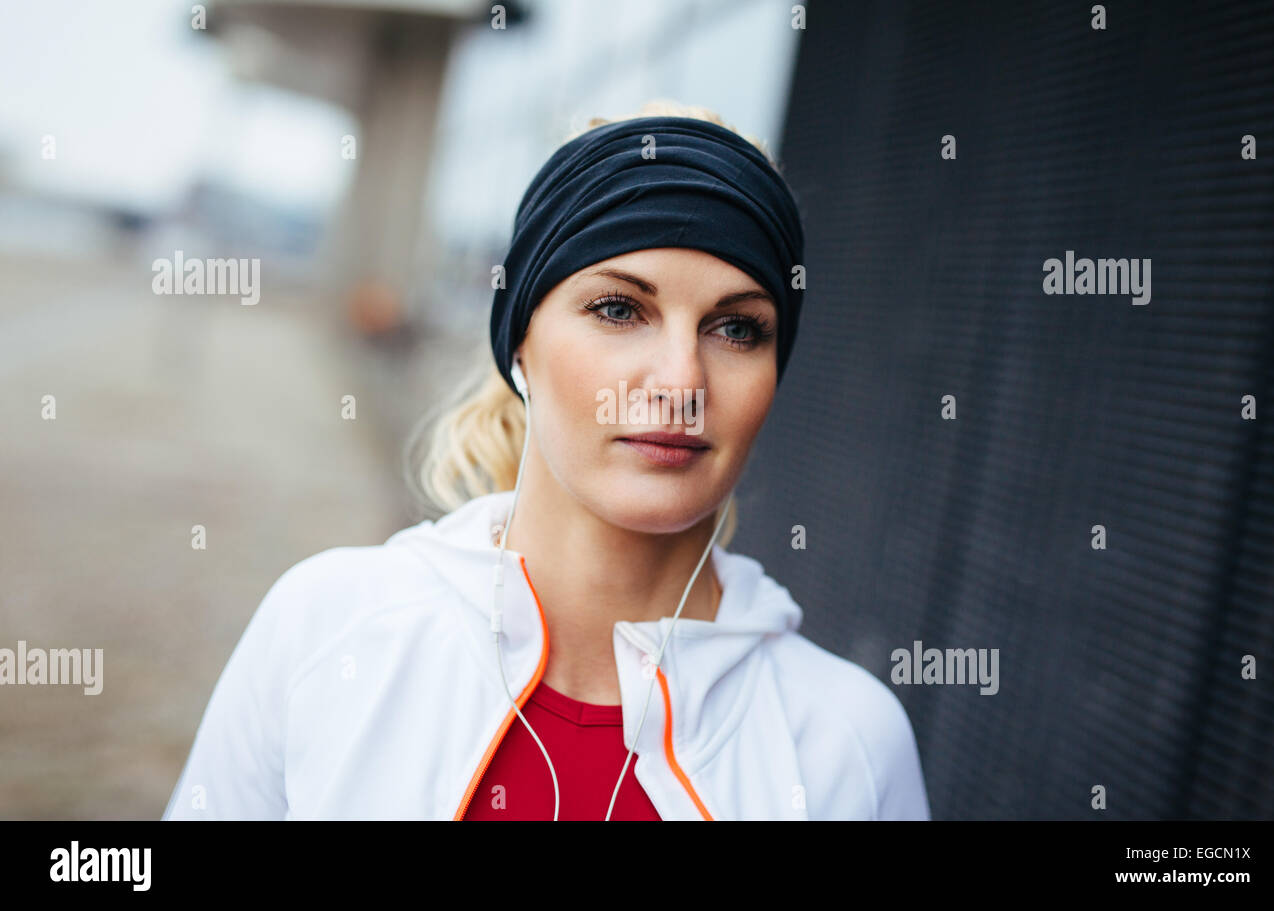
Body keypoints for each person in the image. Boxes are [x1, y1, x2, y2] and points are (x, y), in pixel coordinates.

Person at [162, 100, 930, 821]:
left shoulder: (846, 744)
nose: (681, 382)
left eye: (736, 328)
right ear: (519, 344)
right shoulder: (328, 629)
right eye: (620, 309)